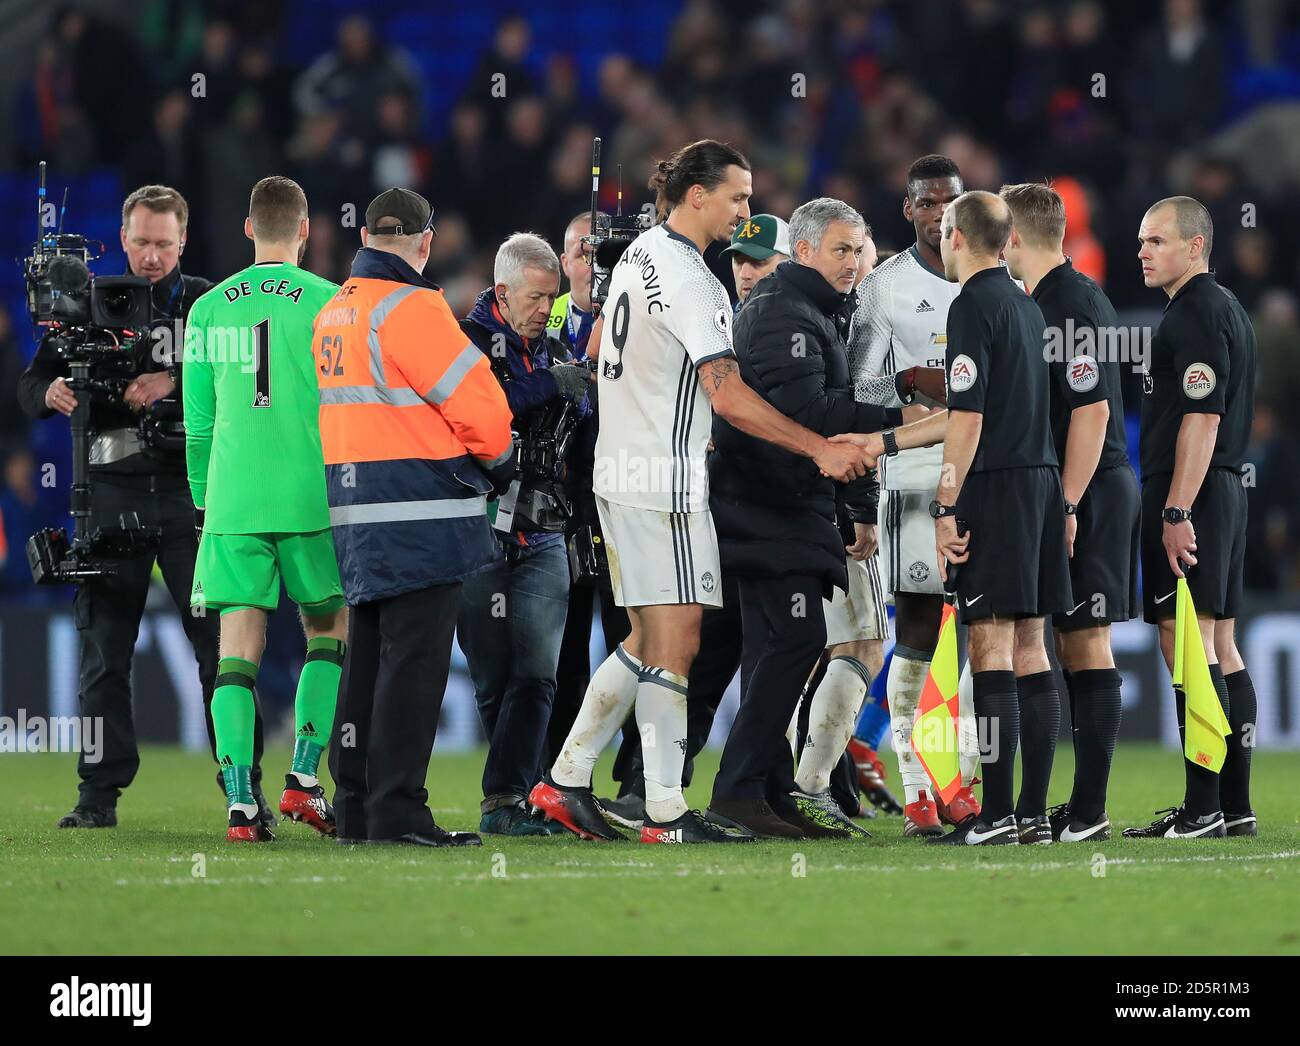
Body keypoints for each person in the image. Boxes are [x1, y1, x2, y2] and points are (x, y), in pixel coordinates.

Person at [529, 139, 871, 844]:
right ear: (697, 196)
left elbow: (599, 353)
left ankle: (567, 776)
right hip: (665, 479)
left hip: (618, 473)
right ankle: (662, 809)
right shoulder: (693, 281)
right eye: (738, 196)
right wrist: (819, 447)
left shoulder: (637, 254)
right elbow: (728, 394)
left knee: (650, 635)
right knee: (678, 641)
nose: (746, 210)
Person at [18, 185, 274, 830]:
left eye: (164, 243)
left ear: (183, 241)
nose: (152, 256)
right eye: (142, 242)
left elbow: (254, 370)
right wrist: (47, 387)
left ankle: (242, 787)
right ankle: (95, 797)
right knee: (105, 652)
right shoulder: (87, 303)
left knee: (220, 646)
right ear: (123, 239)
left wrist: (176, 376)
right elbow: (24, 386)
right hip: (112, 493)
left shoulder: (214, 302)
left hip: (195, 495)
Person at [841, 192, 1071, 845]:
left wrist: (945, 505)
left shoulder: (969, 307)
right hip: (1041, 486)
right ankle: (1028, 813)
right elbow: (978, 407)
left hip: (993, 489)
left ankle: (993, 815)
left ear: (957, 236)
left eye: (944, 233)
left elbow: (968, 421)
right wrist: (885, 442)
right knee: (1031, 648)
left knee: (990, 646)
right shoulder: (1027, 305)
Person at [705, 198, 910, 839]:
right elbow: (815, 415)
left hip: (782, 506)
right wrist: (909, 418)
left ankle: (766, 788)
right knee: (792, 643)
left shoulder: (812, 311)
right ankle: (738, 790)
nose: (851, 263)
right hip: (764, 508)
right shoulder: (782, 316)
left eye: (858, 249)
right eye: (839, 249)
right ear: (804, 250)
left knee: (780, 646)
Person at [317, 187, 514, 847]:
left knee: (366, 658)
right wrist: (504, 464)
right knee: (415, 664)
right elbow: (481, 411)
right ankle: (397, 808)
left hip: (355, 509)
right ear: (425, 243)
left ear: (367, 235)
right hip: (420, 509)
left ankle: (354, 805)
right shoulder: (415, 307)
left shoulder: (336, 308)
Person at [184, 175, 348, 843]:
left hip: (234, 501)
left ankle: (239, 803)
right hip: (311, 495)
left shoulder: (209, 309)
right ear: (305, 230)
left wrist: (205, 501)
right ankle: (305, 780)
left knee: (236, 654)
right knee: (328, 634)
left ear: (249, 229)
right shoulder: (329, 303)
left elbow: (197, 425)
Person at [846, 155, 981, 837]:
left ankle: (964, 781)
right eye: (927, 203)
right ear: (908, 211)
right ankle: (917, 787)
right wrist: (910, 381)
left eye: (950, 203)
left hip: (985, 480)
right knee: (921, 633)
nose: (938, 215)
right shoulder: (883, 289)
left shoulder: (994, 280)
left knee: (988, 634)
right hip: (913, 478)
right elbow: (855, 392)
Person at [1001, 181, 1138, 843]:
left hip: (1095, 488)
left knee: (1086, 640)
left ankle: (1088, 811)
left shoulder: (1071, 303)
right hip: (1083, 486)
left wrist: (1069, 501)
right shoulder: (1054, 298)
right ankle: (1083, 809)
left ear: (1015, 236)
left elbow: (1092, 410)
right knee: (1067, 641)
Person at [1124, 196, 1258, 840]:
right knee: (1222, 642)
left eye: (1156, 241)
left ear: (1195, 245)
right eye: (1142, 241)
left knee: (1189, 642)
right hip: (1224, 490)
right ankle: (1234, 806)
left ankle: (1203, 806)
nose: (1143, 252)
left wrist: (1176, 508)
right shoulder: (1223, 307)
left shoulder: (1196, 313)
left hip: (1195, 494)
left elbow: (1201, 421)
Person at [457, 232, 591, 836]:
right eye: (536, 298)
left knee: (538, 672)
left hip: (544, 528)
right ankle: (511, 796)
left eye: (553, 297)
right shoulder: (462, 344)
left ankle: (514, 796)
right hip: (479, 527)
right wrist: (552, 385)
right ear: (503, 292)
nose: (546, 309)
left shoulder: (556, 346)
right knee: (492, 676)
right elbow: (479, 412)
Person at [546, 211, 631, 767]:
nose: (590, 264)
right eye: (581, 252)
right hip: (561, 505)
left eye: (602, 254)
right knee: (565, 649)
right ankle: (554, 773)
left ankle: (637, 776)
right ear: (562, 261)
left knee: (632, 636)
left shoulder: (634, 316)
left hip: (624, 497)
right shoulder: (540, 320)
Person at [721, 213, 790, 308]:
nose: (744, 274)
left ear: (790, 266)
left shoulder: (807, 318)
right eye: (738, 261)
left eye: (758, 262)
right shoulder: (722, 319)